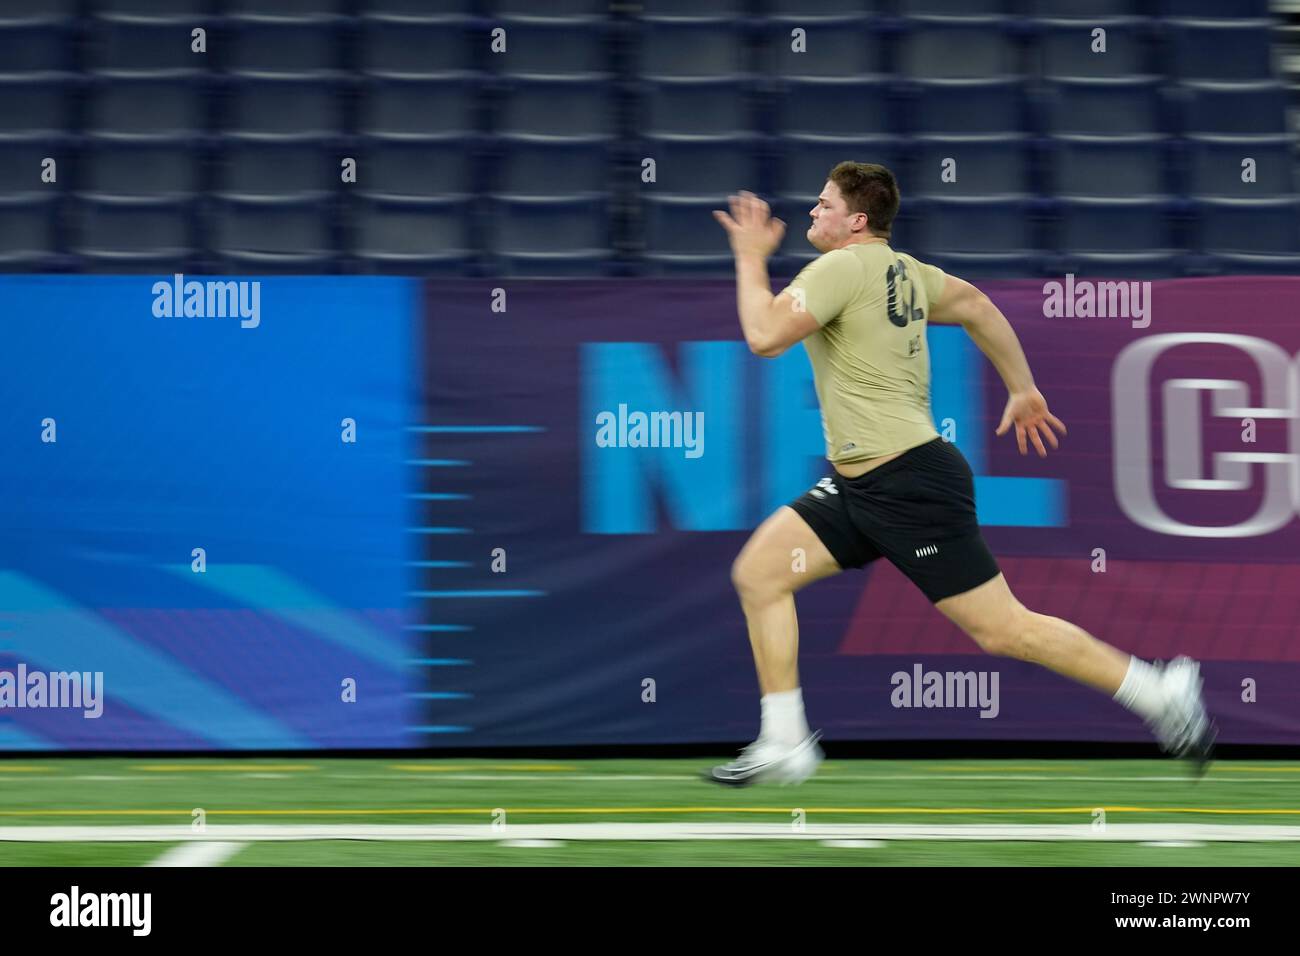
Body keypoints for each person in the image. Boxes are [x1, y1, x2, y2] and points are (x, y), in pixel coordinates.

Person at [707, 161, 1214, 786]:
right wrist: (1022, 387)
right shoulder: (909, 272)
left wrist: (749, 254)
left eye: (824, 204)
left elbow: (762, 337)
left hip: (907, 485)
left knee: (1005, 631)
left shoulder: (839, 267)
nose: (812, 213)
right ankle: (785, 739)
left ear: (857, 220)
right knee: (760, 574)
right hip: (861, 484)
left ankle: (1160, 693)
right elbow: (976, 304)